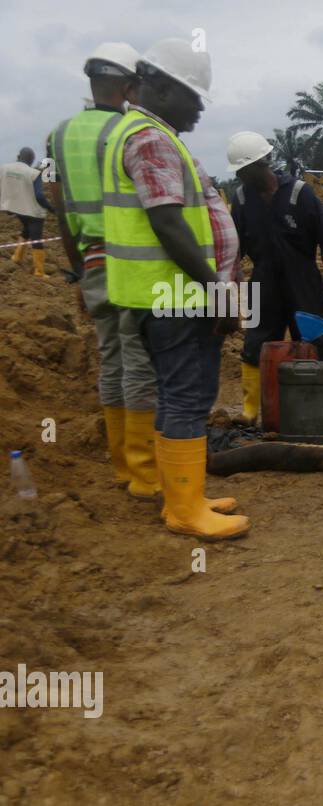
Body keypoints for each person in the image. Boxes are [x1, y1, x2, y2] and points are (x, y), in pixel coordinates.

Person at [101, 37, 248, 539]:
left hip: (165, 295)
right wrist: (218, 292)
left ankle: (182, 495)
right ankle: (185, 510)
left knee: (175, 395)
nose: (201, 107)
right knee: (187, 396)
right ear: (160, 87)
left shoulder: (148, 133)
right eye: (194, 95)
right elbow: (167, 224)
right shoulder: (151, 138)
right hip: (174, 296)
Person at [48, 43, 157, 493]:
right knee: (140, 362)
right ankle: (147, 476)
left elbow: (58, 205)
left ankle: (122, 467)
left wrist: (77, 271)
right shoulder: (132, 130)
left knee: (110, 358)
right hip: (133, 262)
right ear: (130, 86)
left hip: (91, 257)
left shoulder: (58, 135)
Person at [226, 130, 323, 424]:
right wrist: (229, 290)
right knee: (255, 343)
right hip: (264, 281)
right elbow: (234, 249)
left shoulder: (299, 193)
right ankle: (251, 410)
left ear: (261, 164)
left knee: (312, 341)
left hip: (302, 280)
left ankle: (316, 410)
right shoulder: (241, 199)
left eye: (243, 170)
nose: (240, 177)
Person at [1, 147, 53, 276]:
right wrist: (52, 209)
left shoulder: (4, 168)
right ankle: (39, 272)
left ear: (19, 156)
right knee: (37, 239)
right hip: (33, 212)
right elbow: (40, 196)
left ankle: (17, 257)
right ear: (31, 160)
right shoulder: (33, 173)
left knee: (27, 229)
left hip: (16, 209)